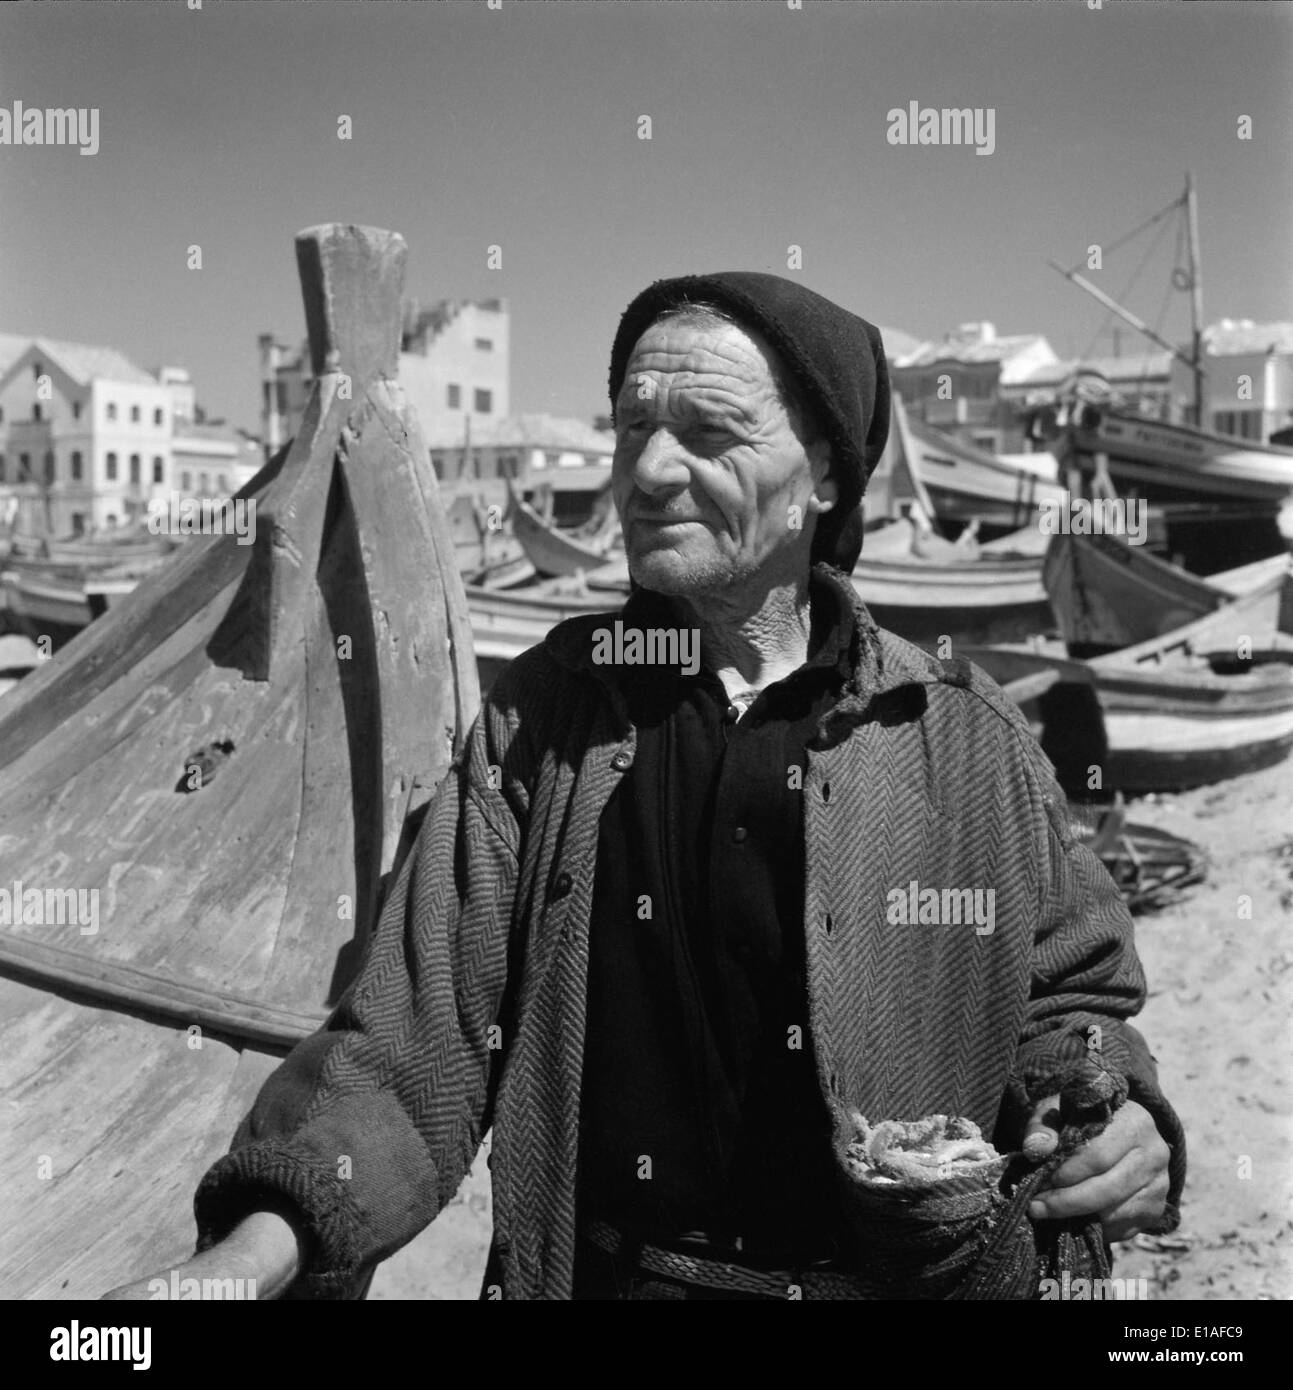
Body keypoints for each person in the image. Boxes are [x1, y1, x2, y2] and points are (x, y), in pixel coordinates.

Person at [105, 272, 1181, 1301]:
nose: (648, 469)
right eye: (631, 428)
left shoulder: (962, 735)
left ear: (825, 477)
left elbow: (1072, 996)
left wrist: (1109, 1104)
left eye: (707, 432)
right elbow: (413, 1040)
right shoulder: (543, 723)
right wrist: (259, 1247)